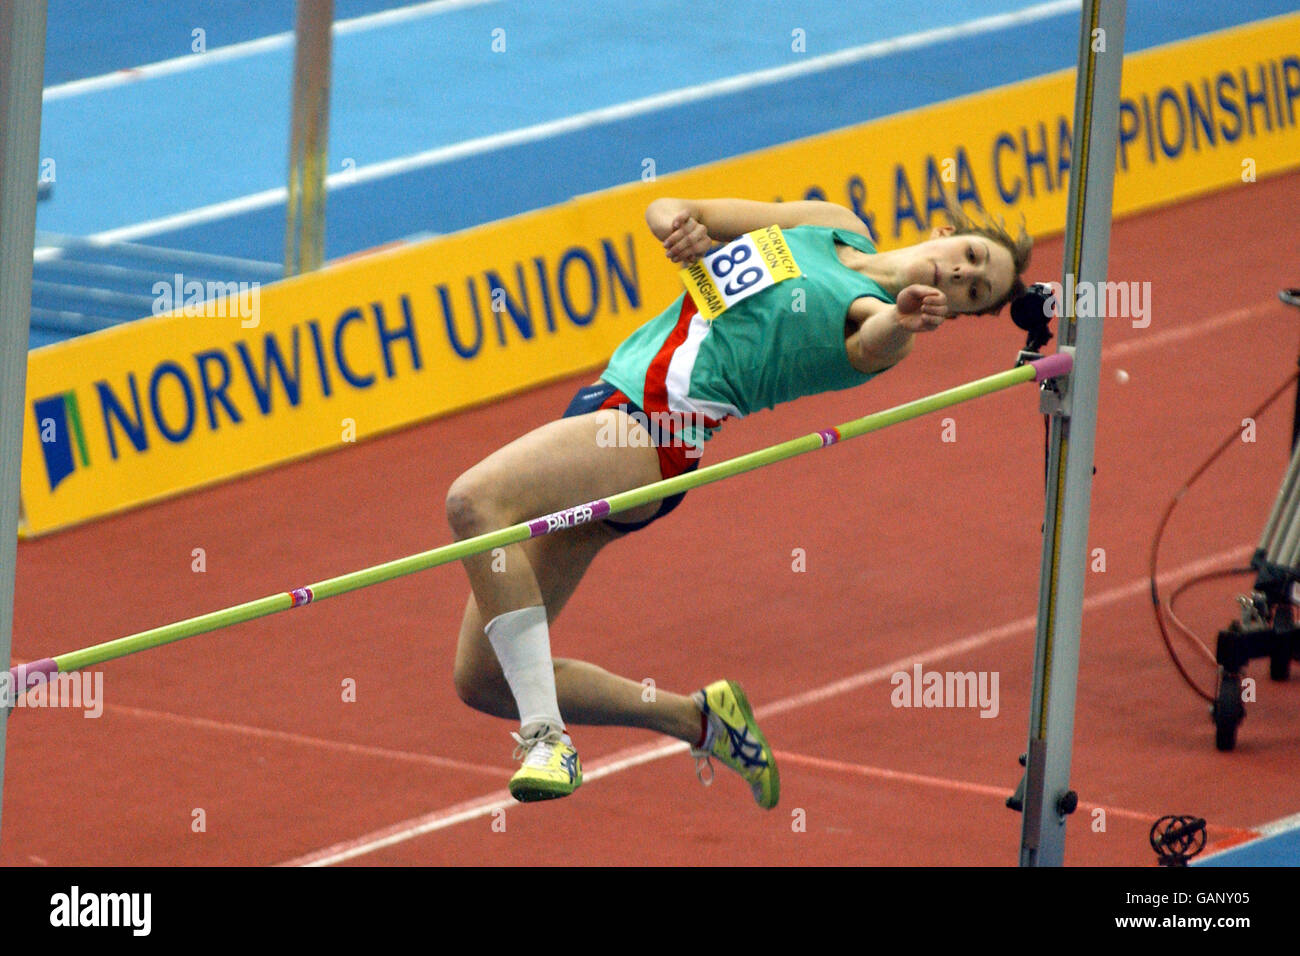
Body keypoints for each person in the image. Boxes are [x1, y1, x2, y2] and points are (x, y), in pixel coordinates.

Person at [444, 196, 1032, 806]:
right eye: (969, 257)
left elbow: (875, 340)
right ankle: (700, 720)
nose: (963, 275)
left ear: (954, 312)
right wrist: (679, 229)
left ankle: (548, 740)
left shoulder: (880, 321)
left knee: (474, 503)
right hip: (607, 405)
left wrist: (902, 317)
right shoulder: (832, 225)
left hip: (654, 432)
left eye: (974, 291)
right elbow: (673, 204)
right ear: (945, 233)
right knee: (486, 681)